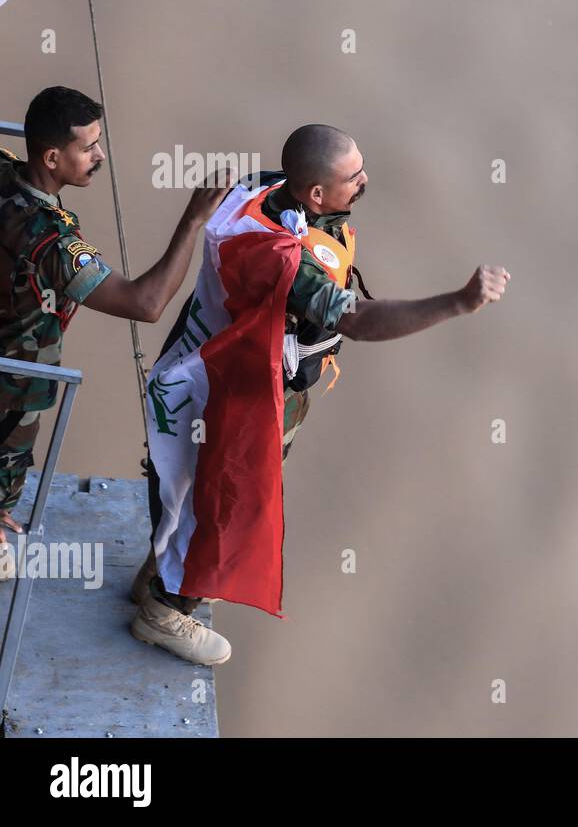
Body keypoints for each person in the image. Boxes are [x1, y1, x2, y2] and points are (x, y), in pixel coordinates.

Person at [128, 124, 510, 666]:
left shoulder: (260, 189)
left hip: (202, 360)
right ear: (313, 194)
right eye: (354, 177)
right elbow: (357, 320)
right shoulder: (286, 263)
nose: (364, 182)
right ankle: (164, 612)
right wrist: (458, 302)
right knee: (231, 500)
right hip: (246, 392)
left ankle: (158, 571)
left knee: (188, 476)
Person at [0, 87, 226, 580]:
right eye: (88, 148)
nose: (100, 156)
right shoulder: (52, 241)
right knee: (9, 451)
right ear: (53, 157)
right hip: (14, 368)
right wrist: (193, 221)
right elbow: (144, 303)